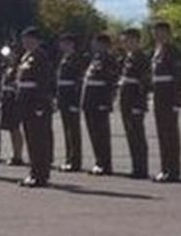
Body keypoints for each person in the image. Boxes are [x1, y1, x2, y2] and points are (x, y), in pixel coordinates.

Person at [15, 27, 54, 187]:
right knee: (31, 140)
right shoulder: (26, 57)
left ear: (36, 40)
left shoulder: (40, 57)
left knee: (39, 141)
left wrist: (40, 104)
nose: (26, 42)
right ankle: (34, 172)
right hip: (26, 103)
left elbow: (44, 82)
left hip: (36, 104)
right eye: (24, 39)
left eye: (29, 39)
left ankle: (41, 175)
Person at [151, 21, 181, 183]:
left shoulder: (173, 51)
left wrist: (177, 101)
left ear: (168, 34)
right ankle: (164, 168)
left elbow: (179, 78)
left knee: (171, 135)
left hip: (169, 96)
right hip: (159, 96)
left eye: (162, 32)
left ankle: (173, 170)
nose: (158, 35)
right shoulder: (157, 51)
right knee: (162, 134)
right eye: (156, 32)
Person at [82, 33, 118, 175]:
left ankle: (105, 164)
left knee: (102, 134)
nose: (94, 46)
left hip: (99, 101)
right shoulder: (95, 59)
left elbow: (110, 83)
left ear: (105, 45)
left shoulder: (109, 59)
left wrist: (106, 102)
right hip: (90, 102)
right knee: (93, 133)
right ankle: (99, 161)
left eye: (97, 43)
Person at [118, 28, 150, 179]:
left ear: (137, 41)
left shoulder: (141, 58)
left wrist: (139, 104)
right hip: (126, 102)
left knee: (137, 136)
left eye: (128, 41)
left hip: (134, 102)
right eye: (123, 41)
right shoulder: (127, 58)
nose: (125, 44)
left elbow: (143, 84)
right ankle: (136, 167)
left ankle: (141, 168)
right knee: (131, 135)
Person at [55, 33, 86, 172]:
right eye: (62, 43)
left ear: (72, 44)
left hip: (71, 97)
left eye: (66, 43)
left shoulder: (76, 59)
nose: (63, 46)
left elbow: (78, 82)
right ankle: (69, 158)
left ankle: (75, 161)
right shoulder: (64, 58)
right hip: (64, 97)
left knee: (73, 131)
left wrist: (76, 102)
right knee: (67, 129)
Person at [0, 45, 25, 166]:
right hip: (6, 100)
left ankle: (18, 155)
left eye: (12, 54)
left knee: (15, 128)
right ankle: (15, 154)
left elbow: (18, 83)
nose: (10, 56)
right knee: (10, 128)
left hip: (14, 100)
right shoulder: (8, 67)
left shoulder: (19, 67)